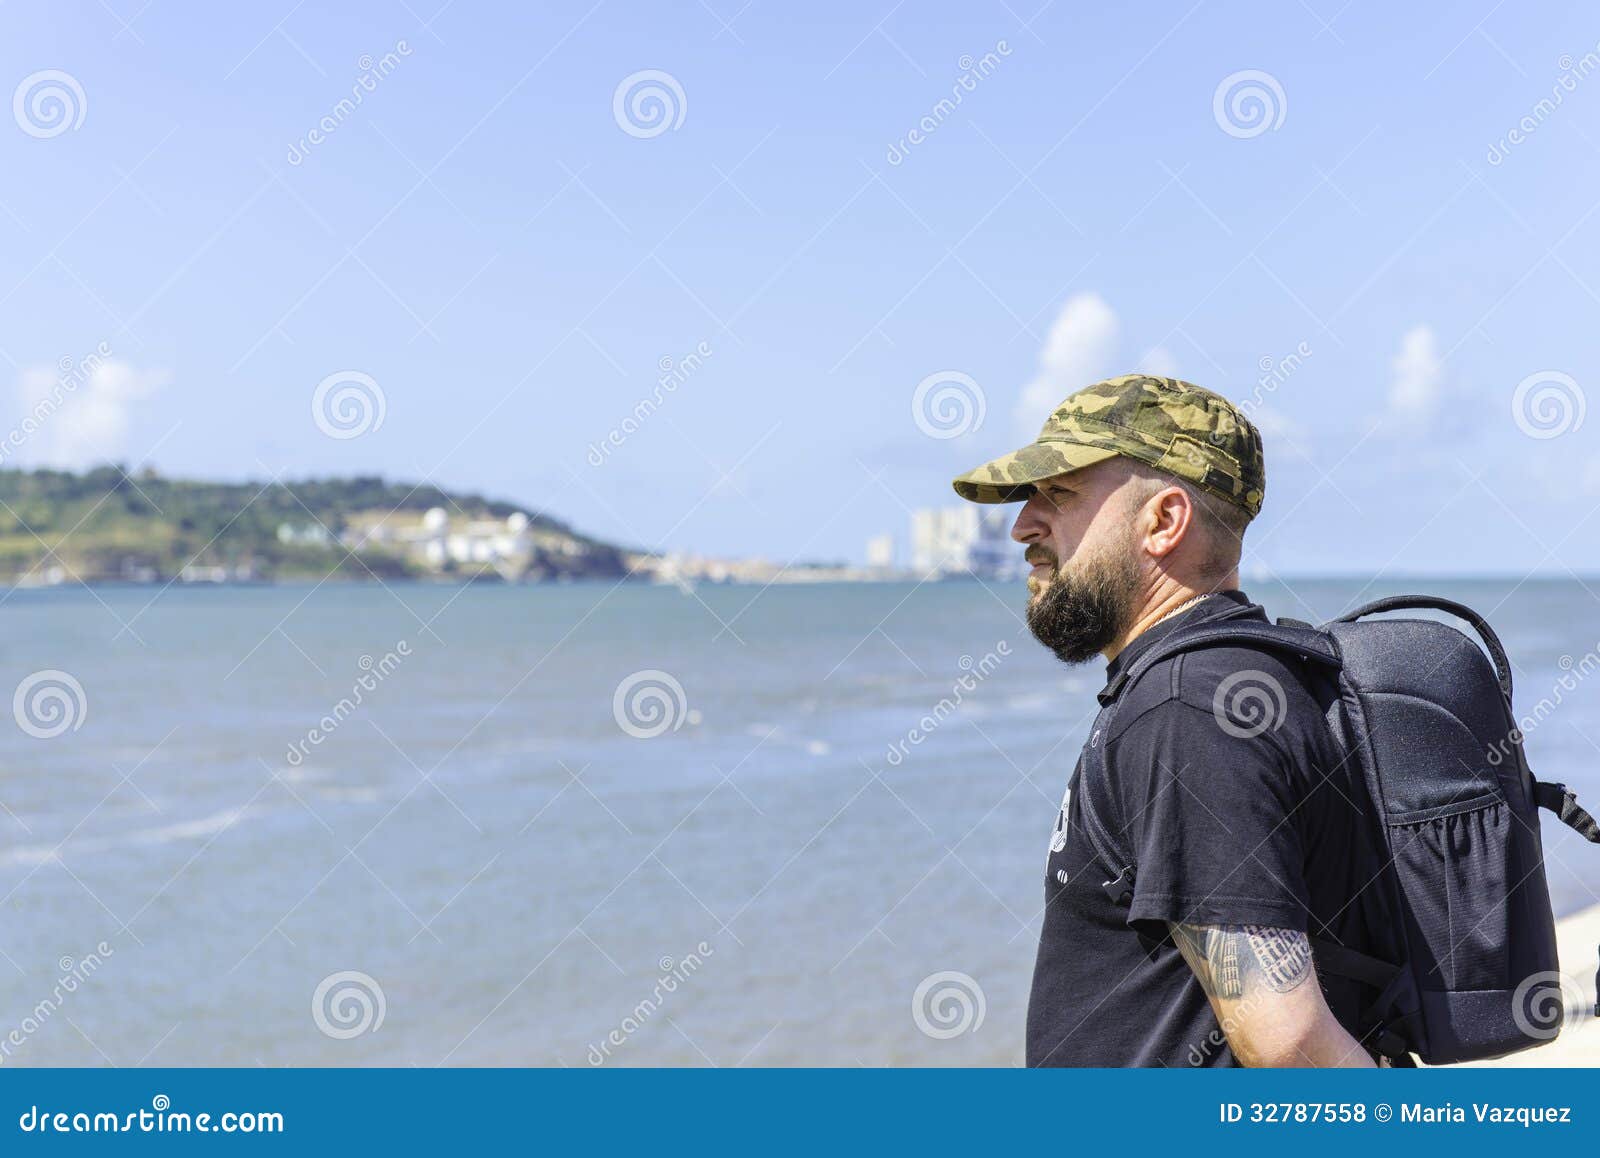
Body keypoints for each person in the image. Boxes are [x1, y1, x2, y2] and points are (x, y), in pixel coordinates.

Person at [952, 374, 1379, 1067]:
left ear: (1164, 521)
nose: (1023, 526)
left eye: (1058, 494)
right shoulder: (1237, 680)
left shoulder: (1188, 711)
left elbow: (1290, 1040)